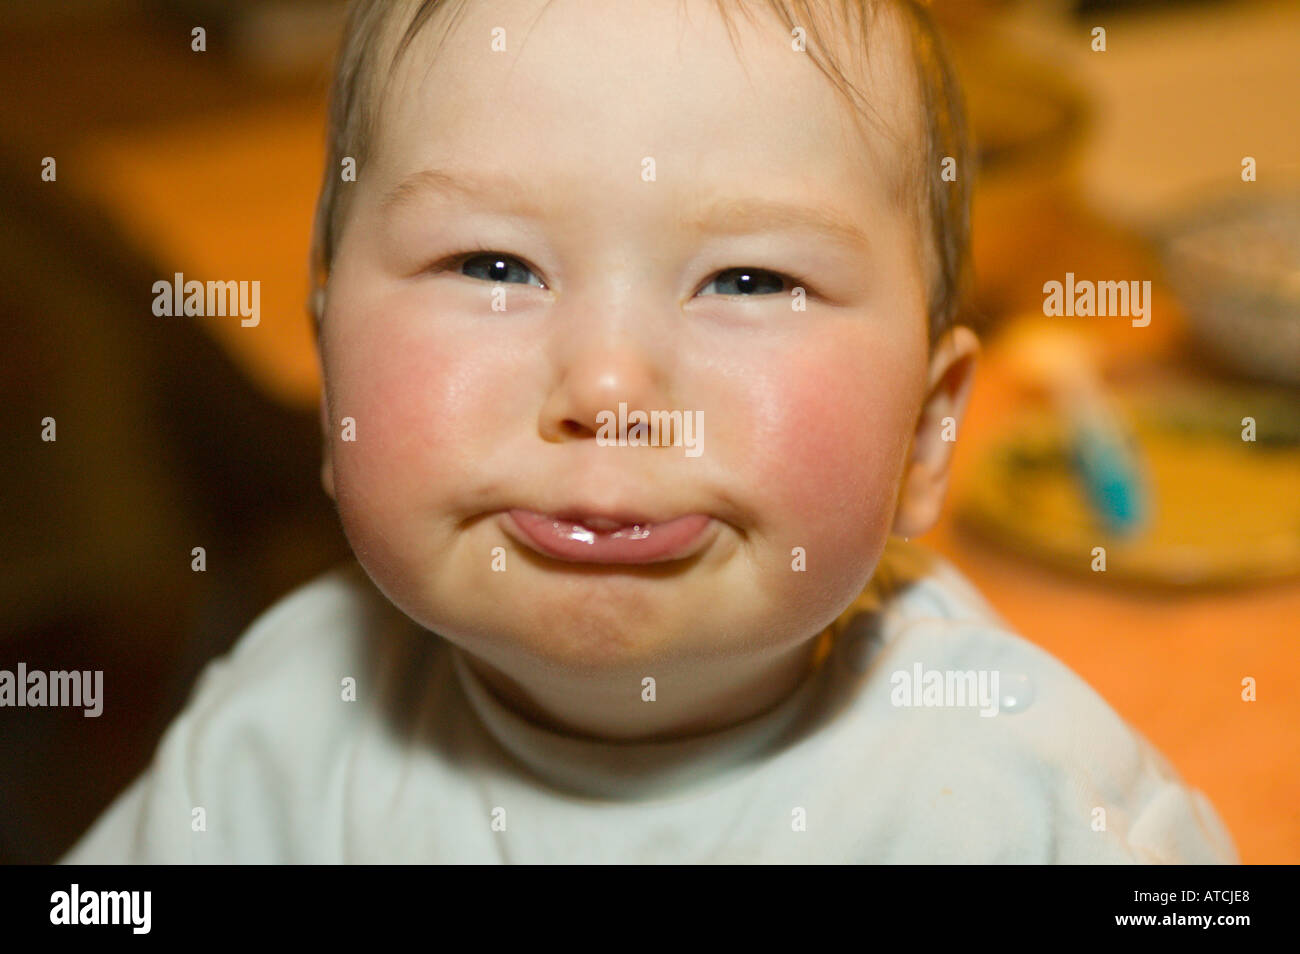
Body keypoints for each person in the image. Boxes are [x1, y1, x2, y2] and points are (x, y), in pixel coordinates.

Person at [62, 0, 1237, 863]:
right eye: (493, 263)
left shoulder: (1032, 808)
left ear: (927, 436)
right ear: (329, 382)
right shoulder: (273, 732)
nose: (613, 384)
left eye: (748, 281)